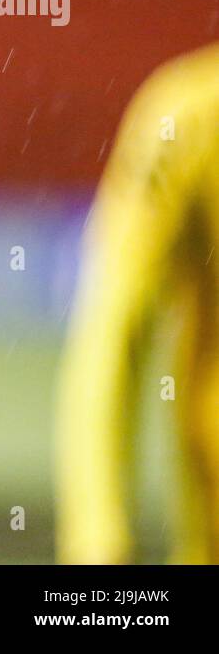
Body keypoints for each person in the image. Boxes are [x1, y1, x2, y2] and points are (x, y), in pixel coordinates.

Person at [57, 41, 219, 564]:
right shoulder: (190, 118)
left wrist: (98, 544)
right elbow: (114, 336)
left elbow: (110, 337)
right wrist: (100, 542)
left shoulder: (191, 111)